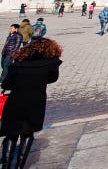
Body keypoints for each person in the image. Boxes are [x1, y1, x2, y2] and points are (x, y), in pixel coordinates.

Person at [0, 37, 62, 168]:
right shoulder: (51, 64)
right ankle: (20, 165)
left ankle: (5, 165)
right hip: (35, 102)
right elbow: (53, 79)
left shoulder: (18, 64)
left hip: (15, 102)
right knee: (28, 134)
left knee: (10, 135)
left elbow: (6, 84)